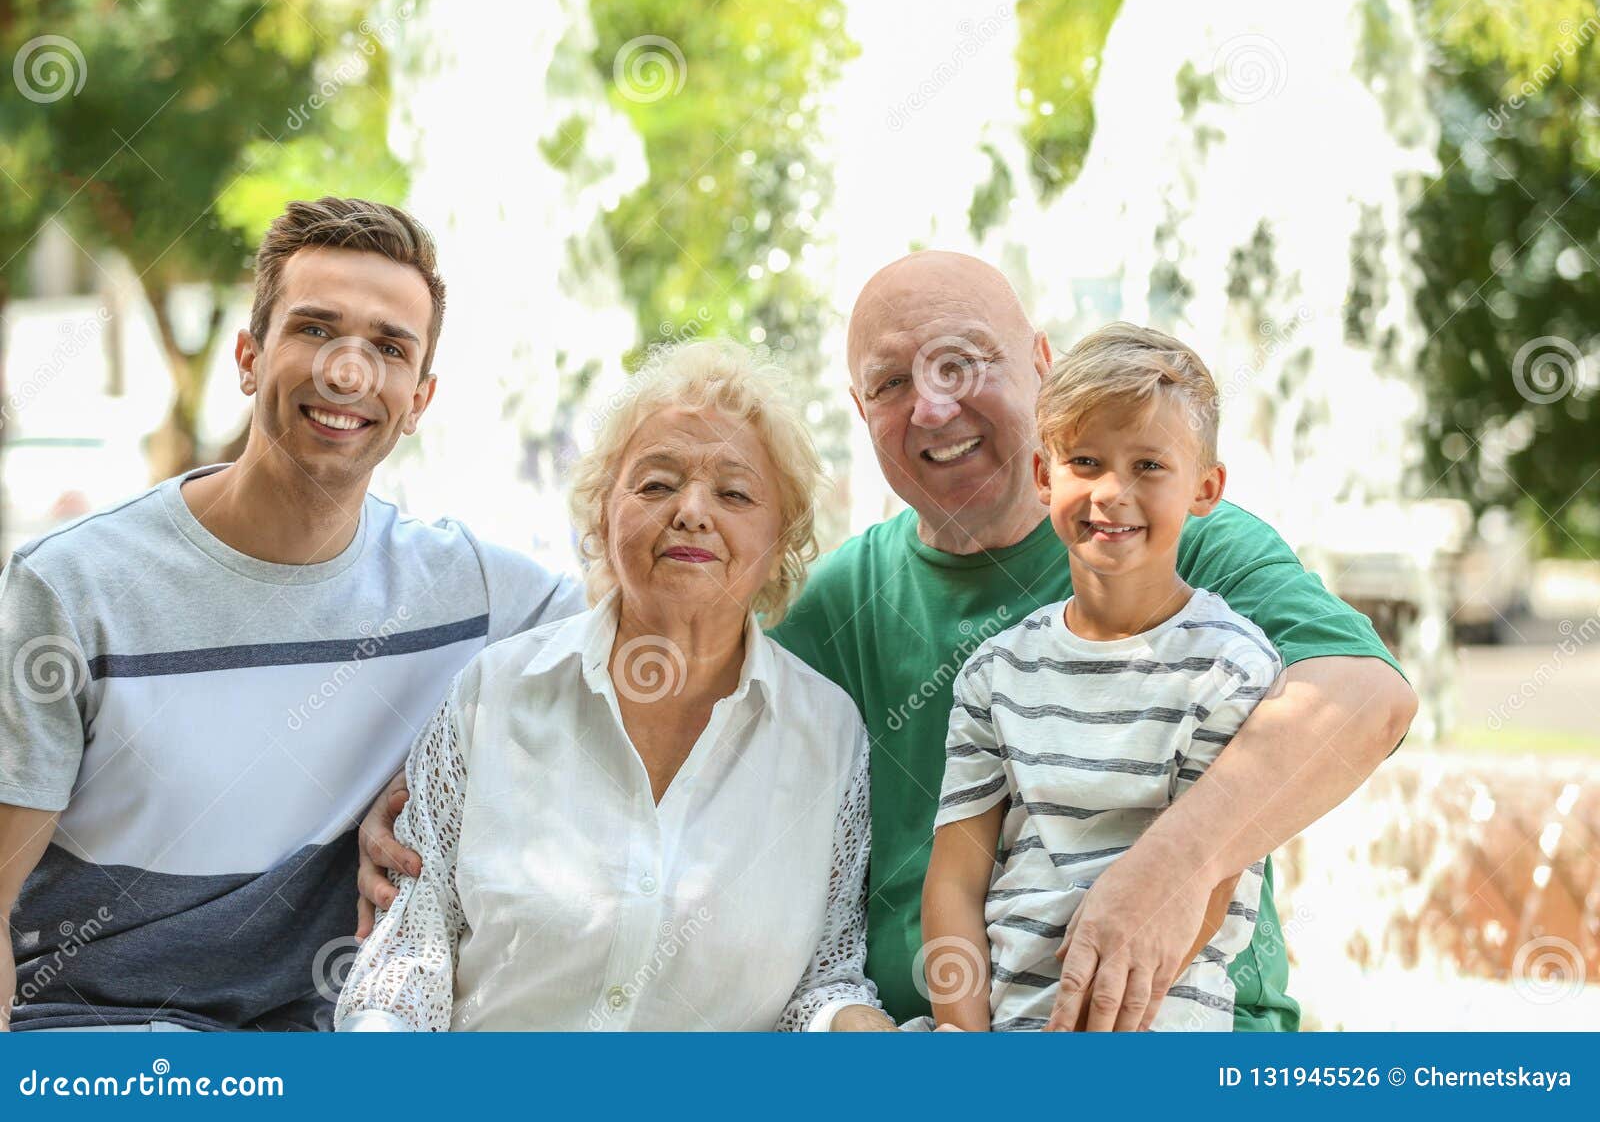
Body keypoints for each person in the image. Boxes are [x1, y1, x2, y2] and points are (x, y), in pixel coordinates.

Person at [361, 249, 1418, 1032]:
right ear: (863, 413)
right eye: (892, 382)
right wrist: (448, 791)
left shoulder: (1172, 537)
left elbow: (1365, 698)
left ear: (1043, 371)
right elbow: (666, 631)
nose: (935, 405)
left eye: (966, 363)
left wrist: (1172, 865)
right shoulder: (842, 599)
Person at [0, 197, 581, 1032]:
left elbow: (660, 645)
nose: (347, 373)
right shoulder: (74, 589)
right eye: (314, 329)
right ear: (248, 355)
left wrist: (437, 780)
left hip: (323, 1051)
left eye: (388, 347)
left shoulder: (475, 591)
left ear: (419, 399)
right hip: (97, 1043)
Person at [334, 340, 891, 1031]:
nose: (691, 510)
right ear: (603, 514)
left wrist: (855, 1029)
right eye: (656, 484)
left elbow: (821, 980)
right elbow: (410, 950)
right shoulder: (497, 690)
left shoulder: (829, 734)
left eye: (735, 492)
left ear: (781, 538)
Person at [922, 323, 1280, 1031]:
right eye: (1085, 461)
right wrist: (960, 1041)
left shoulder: (1231, 666)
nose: (1111, 492)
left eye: (1149, 465)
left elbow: (1199, 889)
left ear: (1205, 488)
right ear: (1042, 476)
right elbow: (954, 883)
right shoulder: (995, 674)